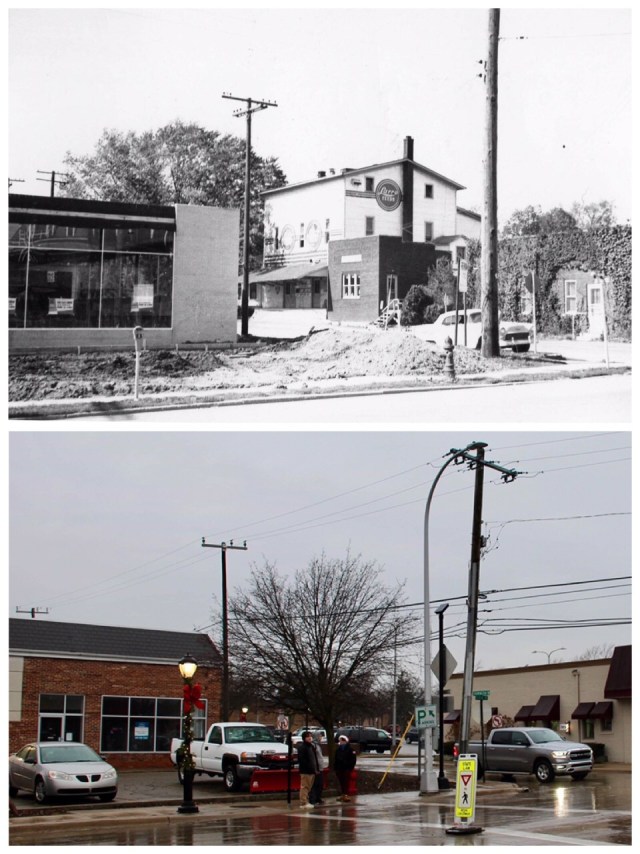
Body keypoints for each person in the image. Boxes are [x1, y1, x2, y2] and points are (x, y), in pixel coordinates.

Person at [297, 731, 321, 809]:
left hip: (312, 770)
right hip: (306, 771)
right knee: (305, 787)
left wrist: (316, 768)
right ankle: (303, 802)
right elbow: (302, 760)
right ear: (304, 738)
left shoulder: (311, 746)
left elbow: (314, 759)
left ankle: (306, 801)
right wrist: (310, 768)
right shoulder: (302, 747)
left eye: (310, 736)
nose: (310, 738)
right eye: (308, 737)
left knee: (309, 787)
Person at [333, 734, 357, 801]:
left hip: (346, 769)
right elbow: (336, 759)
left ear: (345, 741)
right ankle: (343, 794)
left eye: (341, 741)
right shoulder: (338, 750)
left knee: (346, 782)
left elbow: (353, 760)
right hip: (339, 769)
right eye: (339, 740)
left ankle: (346, 794)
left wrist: (349, 768)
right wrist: (336, 768)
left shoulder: (350, 750)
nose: (340, 742)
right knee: (341, 782)